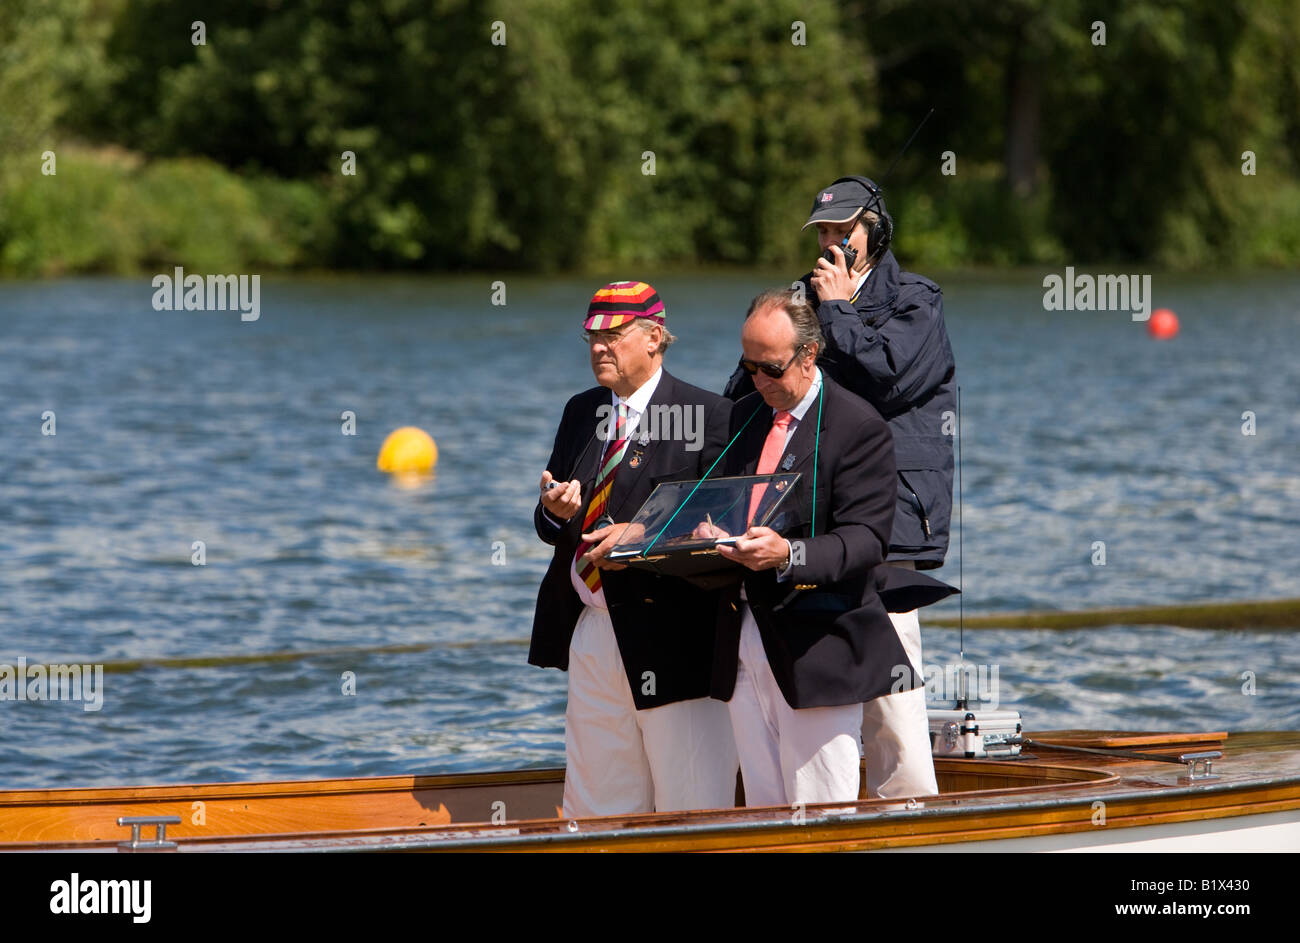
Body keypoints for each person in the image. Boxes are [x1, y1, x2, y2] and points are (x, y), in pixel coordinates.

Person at [723, 176, 956, 799]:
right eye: (822, 232)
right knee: (807, 698)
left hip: (894, 530)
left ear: (873, 230)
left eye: (841, 231)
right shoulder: (801, 299)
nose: (829, 243)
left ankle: (912, 828)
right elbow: (745, 391)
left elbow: (887, 385)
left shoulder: (917, 301)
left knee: (895, 717)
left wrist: (839, 311)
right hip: (804, 529)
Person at [530, 280, 739, 818]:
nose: (599, 348)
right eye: (591, 338)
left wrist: (642, 532)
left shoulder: (710, 414)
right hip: (592, 627)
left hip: (674, 631)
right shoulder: (582, 410)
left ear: (655, 339)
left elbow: (723, 526)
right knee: (596, 803)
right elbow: (551, 525)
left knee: (689, 803)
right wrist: (555, 513)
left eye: (613, 336)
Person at [708, 288, 920, 807]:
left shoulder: (858, 425)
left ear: (808, 354)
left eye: (771, 368)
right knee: (764, 808)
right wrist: (704, 531)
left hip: (819, 644)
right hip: (744, 638)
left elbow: (866, 540)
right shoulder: (744, 415)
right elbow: (715, 497)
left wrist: (788, 556)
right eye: (748, 366)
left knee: (820, 812)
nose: (758, 381)